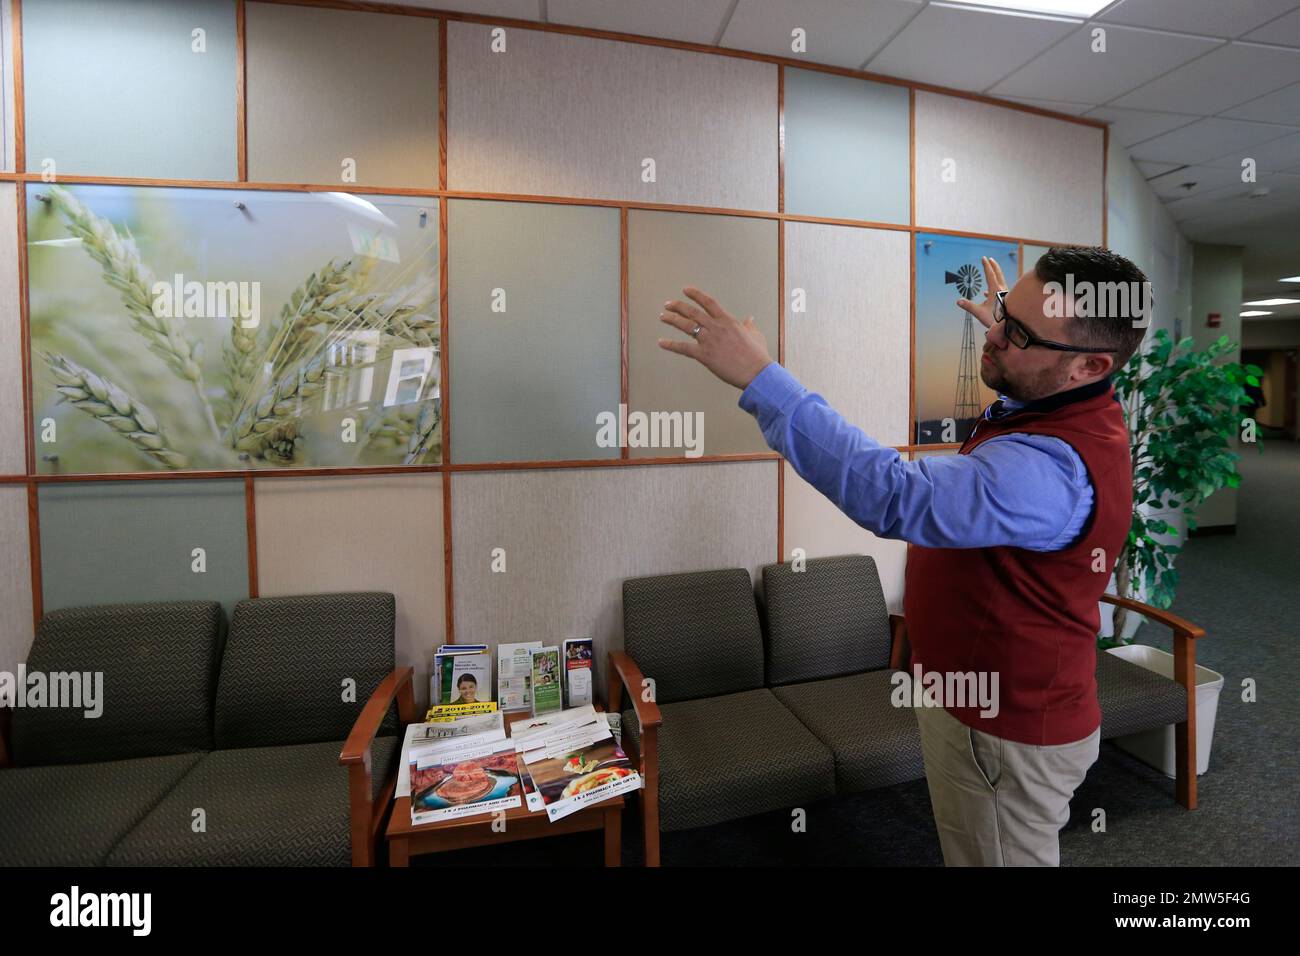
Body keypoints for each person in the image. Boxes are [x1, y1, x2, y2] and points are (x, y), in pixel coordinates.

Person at [657, 247, 1149, 867]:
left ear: (1088, 365)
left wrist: (762, 380)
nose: (994, 333)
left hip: (1004, 730)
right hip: (984, 704)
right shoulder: (1070, 404)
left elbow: (894, 494)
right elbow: (1028, 393)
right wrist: (1011, 339)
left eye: (1017, 330)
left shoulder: (1048, 472)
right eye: (1005, 311)